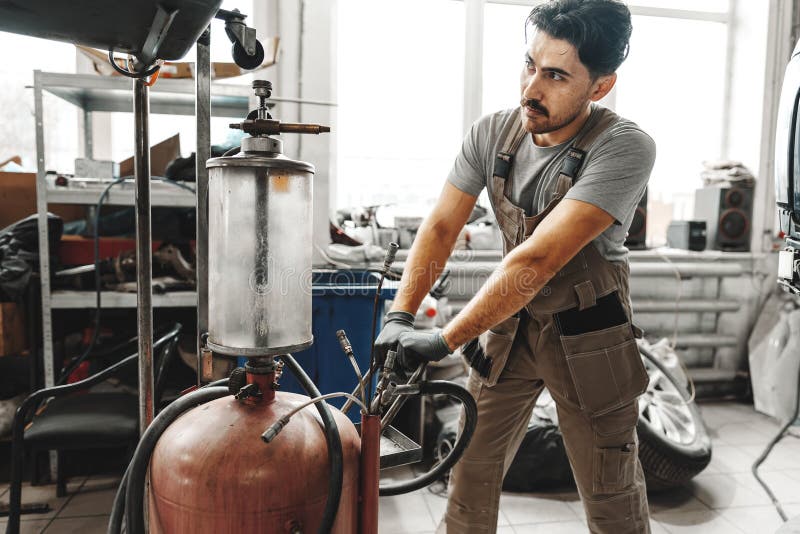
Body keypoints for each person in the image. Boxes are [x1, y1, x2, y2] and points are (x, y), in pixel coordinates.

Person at [374, 0, 656, 532]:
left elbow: (537, 259)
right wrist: (400, 314)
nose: (531, 88)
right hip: (508, 330)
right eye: (530, 64)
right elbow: (441, 227)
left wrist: (444, 340)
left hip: (589, 335)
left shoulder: (624, 147)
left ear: (600, 86)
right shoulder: (493, 134)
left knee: (611, 495)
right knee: (468, 475)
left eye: (556, 75)